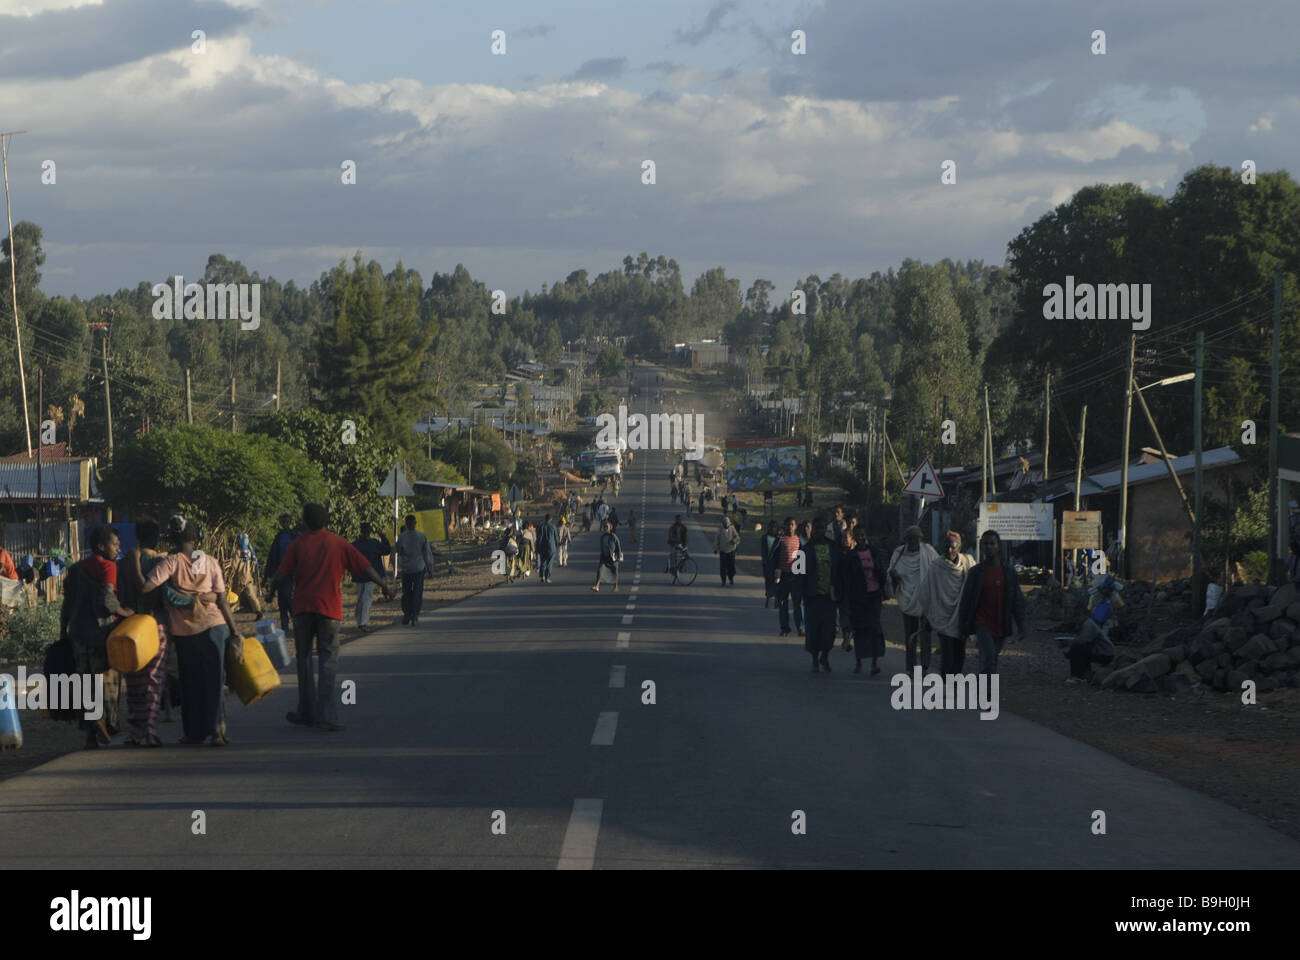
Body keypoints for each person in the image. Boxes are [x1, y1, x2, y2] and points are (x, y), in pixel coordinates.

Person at [267, 503, 392, 731]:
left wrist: (269, 592)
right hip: (329, 610)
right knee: (327, 661)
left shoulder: (298, 544)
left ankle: (306, 711)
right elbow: (365, 567)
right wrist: (383, 584)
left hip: (303, 609)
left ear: (305, 521)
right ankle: (326, 714)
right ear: (325, 521)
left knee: (303, 660)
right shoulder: (338, 543)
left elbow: (280, 574)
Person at [141, 518, 241, 746]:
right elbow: (223, 601)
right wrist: (235, 630)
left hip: (185, 632)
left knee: (190, 683)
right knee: (215, 680)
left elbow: (147, 586)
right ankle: (218, 730)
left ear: (174, 539)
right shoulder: (210, 561)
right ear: (195, 538)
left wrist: (171, 592)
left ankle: (193, 733)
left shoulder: (171, 562)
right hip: (215, 627)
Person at [120, 517, 198, 746]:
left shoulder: (126, 561)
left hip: (132, 624)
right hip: (157, 625)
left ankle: (135, 732)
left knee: (134, 680)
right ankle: (150, 730)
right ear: (157, 537)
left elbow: (123, 593)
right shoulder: (164, 561)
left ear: (137, 536)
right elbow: (164, 594)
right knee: (154, 679)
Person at [61, 524, 134, 748]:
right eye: (114, 544)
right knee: (107, 683)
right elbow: (108, 602)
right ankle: (105, 721)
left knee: (85, 681)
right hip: (102, 634)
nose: (118, 548)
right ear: (101, 546)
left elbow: (67, 606)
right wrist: (127, 612)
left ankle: (90, 736)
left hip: (78, 634)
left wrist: (63, 632)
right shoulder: (108, 567)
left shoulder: (74, 570)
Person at [957, 529, 1025, 676]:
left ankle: (987, 693)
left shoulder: (1009, 571)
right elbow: (966, 600)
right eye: (985, 544)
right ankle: (986, 695)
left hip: (1001, 623)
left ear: (998, 546)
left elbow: (1016, 600)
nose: (989, 547)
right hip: (982, 623)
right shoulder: (976, 572)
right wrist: (962, 626)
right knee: (988, 658)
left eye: (992, 543)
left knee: (993, 658)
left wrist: (1021, 626)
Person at [923, 531, 977, 676]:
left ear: (959, 548)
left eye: (953, 547)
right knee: (947, 655)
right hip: (942, 617)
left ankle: (955, 682)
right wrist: (928, 615)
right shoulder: (935, 566)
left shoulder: (968, 564)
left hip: (961, 616)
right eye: (946, 547)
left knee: (960, 653)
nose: (949, 550)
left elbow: (975, 588)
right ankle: (946, 682)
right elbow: (927, 591)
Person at [837, 528, 889, 675]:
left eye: (862, 535)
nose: (860, 538)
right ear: (853, 538)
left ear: (866, 537)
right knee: (859, 630)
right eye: (857, 536)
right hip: (857, 598)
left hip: (874, 596)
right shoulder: (851, 557)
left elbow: (881, 571)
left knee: (874, 628)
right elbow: (846, 580)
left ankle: (874, 662)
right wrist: (846, 600)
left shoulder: (874, 552)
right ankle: (859, 662)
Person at [889, 525, 939, 673]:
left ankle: (924, 666)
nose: (913, 542)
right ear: (905, 540)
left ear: (920, 539)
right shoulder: (898, 554)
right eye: (910, 539)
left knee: (925, 635)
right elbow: (891, 574)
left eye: (915, 539)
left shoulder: (928, 552)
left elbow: (937, 569)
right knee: (910, 636)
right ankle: (910, 667)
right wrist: (894, 578)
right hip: (907, 599)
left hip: (925, 599)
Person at [802, 516, 840, 672]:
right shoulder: (804, 549)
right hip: (812, 597)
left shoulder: (833, 547)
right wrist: (800, 595)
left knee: (829, 630)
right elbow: (799, 574)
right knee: (813, 629)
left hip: (829, 597)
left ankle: (825, 655)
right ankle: (814, 659)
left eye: (822, 528)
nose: (819, 531)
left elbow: (839, 571)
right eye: (816, 528)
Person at [1065, 576, 1118, 683]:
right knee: (1078, 649)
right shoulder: (1094, 602)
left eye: (1079, 616)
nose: (1077, 619)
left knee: (1076, 649)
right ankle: (1086, 674)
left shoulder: (1088, 624)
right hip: (1102, 651)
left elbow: (1083, 640)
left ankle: (1077, 676)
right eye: (1075, 616)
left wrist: (1069, 643)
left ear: (1085, 615)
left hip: (1106, 653)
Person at [351, 522, 391, 631]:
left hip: (359, 575)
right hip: (372, 576)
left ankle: (360, 621)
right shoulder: (374, 543)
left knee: (360, 599)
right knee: (367, 598)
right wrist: (382, 536)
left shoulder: (355, 544)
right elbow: (387, 550)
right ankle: (363, 623)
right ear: (370, 531)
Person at [396, 514, 436, 624]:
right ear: (415, 523)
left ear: (406, 524)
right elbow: (427, 554)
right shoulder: (422, 536)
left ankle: (407, 613)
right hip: (419, 567)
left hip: (407, 568)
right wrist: (430, 568)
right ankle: (415, 614)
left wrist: (400, 565)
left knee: (406, 592)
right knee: (417, 591)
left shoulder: (402, 537)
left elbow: (399, 551)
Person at [770, 517, 805, 637]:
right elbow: (772, 556)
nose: (790, 527)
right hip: (783, 576)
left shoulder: (799, 540)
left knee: (798, 603)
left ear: (795, 526)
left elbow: (803, 557)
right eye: (788, 524)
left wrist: (802, 576)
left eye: (792, 524)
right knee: (783, 602)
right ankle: (785, 628)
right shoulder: (780, 540)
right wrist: (774, 576)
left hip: (796, 576)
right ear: (785, 526)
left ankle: (801, 627)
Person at [265, 514, 297, 633]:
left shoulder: (295, 537)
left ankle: (295, 622)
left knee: (288, 598)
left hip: (292, 573)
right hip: (280, 572)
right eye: (283, 522)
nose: (285, 524)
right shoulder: (278, 538)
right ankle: (285, 625)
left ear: (290, 522)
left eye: (287, 521)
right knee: (282, 601)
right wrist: (269, 574)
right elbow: (272, 557)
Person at [591, 520, 623, 592]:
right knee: (600, 570)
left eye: (606, 527)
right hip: (604, 556)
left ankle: (615, 586)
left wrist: (618, 557)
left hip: (613, 557)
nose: (605, 528)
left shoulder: (614, 537)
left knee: (614, 571)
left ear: (610, 528)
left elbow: (618, 547)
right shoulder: (602, 537)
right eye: (604, 527)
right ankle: (597, 586)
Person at [713, 516, 740, 586]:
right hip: (723, 551)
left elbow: (737, 537)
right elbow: (716, 539)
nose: (726, 525)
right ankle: (723, 580)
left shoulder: (732, 528)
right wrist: (715, 548)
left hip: (731, 550)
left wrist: (734, 541)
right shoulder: (720, 529)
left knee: (731, 566)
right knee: (723, 567)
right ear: (722, 524)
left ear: (729, 524)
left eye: (727, 524)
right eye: (725, 524)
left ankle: (731, 578)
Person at [761, 520, 780, 609]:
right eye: (771, 527)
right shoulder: (764, 538)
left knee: (777, 583)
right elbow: (763, 551)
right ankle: (767, 601)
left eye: (775, 527)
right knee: (768, 582)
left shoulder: (779, 539)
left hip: (777, 565)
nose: (773, 529)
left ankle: (776, 601)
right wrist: (765, 562)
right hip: (767, 565)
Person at [536, 514, 559, 584]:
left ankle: (542, 576)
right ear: (551, 519)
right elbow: (556, 538)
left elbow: (538, 538)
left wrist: (537, 547)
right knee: (549, 563)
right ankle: (547, 577)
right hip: (551, 547)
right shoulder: (553, 527)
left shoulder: (541, 526)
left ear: (545, 518)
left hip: (542, 547)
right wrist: (556, 545)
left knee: (543, 562)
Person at [667, 514, 689, 581]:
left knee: (686, 555)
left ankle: (680, 567)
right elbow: (670, 537)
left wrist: (685, 545)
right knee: (672, 555)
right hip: (674, 544)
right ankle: (672, 569)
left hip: (681, 545)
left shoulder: (684, 528)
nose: (678, 520)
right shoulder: (672, 528)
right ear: (675, 520)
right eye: (677, 519)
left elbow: (686, 538)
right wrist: (674, 542)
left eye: (679, 519)